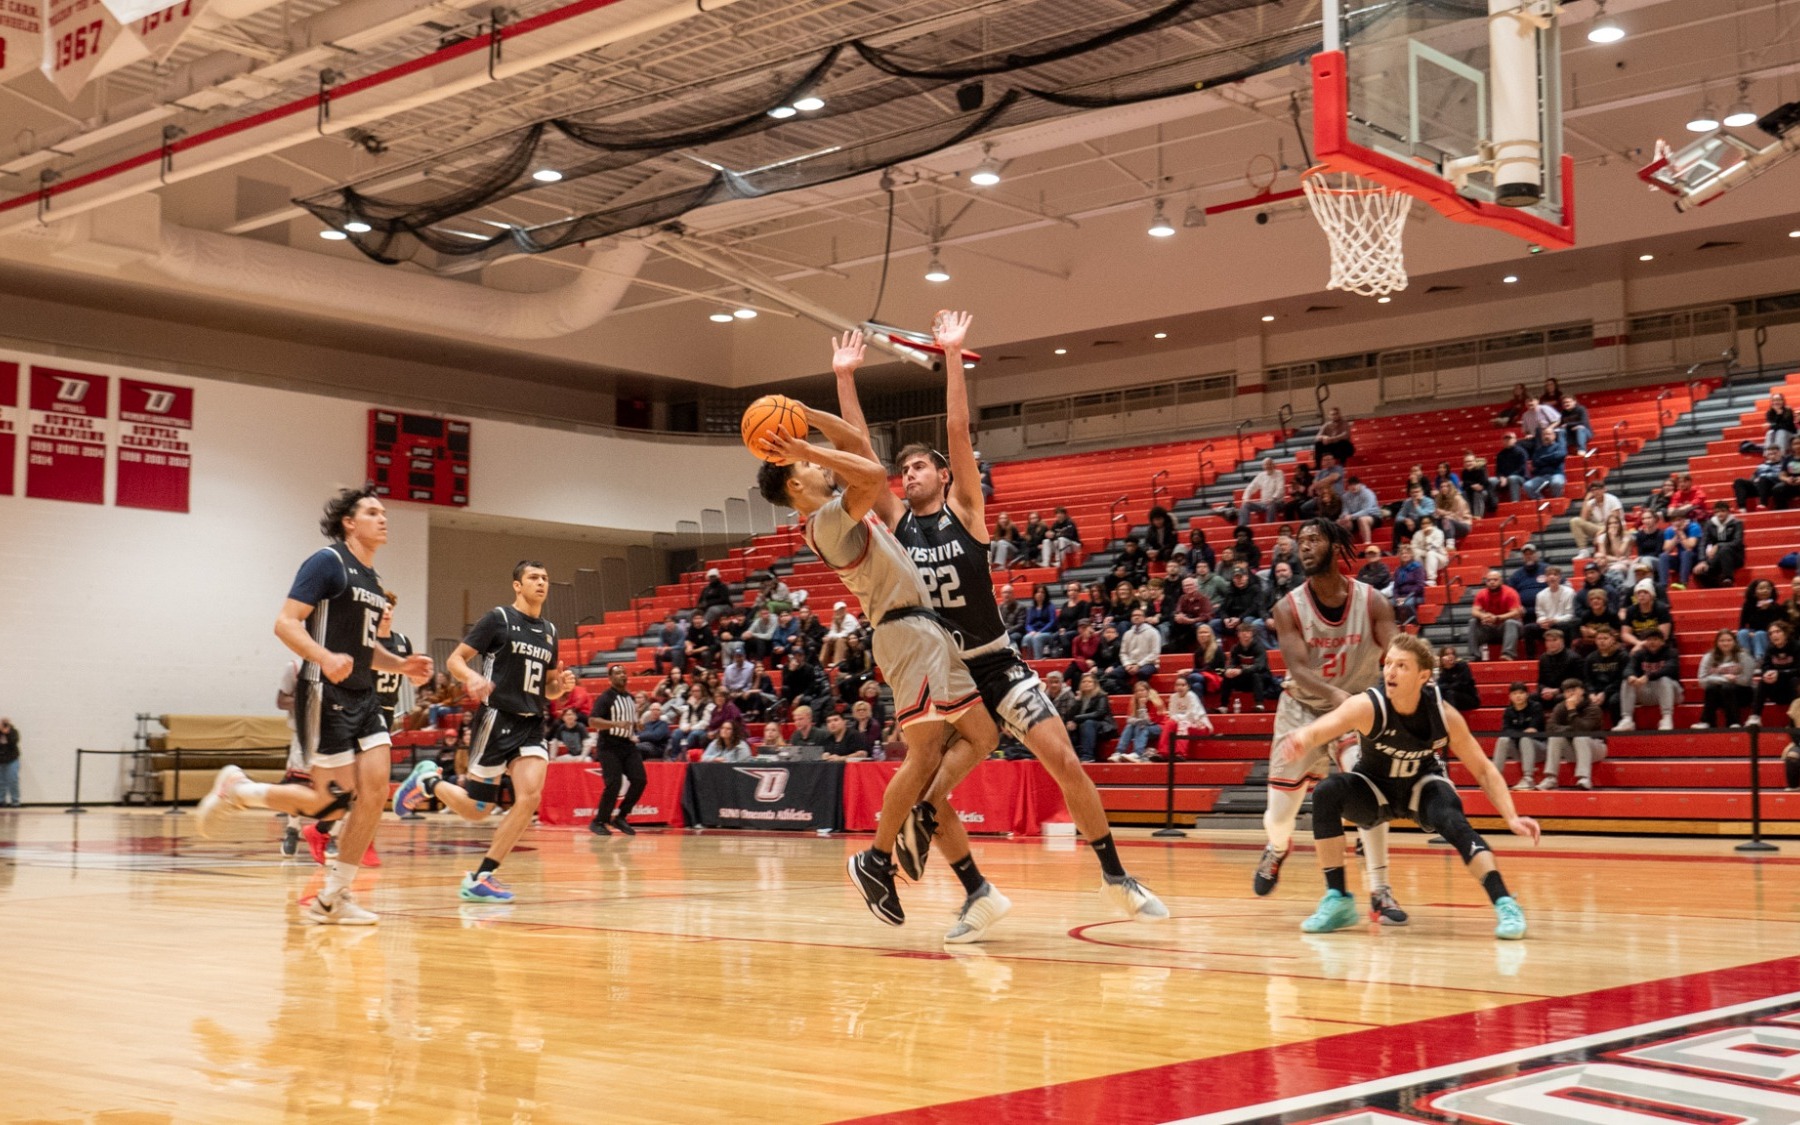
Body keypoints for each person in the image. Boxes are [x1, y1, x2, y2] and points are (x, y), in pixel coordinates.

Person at [837, 320, 1165, 937]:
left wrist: (954, 354)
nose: (906, 475)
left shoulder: (967, 512)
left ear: (944, 476)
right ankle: (977, 893)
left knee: (1064, 758)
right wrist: (844, 378)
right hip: (946, 675)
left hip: (995, 661)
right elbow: (860, 455)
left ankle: (1117, 878)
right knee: (930, 792)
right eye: (902, 470)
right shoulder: (897, 524)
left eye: (917, 468)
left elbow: (958, 429)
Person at [196, 487, 433, 926]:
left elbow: (365, 651)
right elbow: (285, 623)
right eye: (372, 512)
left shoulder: (374, 581)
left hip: (364, 698)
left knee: (376, 791)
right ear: (349, 521)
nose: (383, 519)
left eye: (384, 513)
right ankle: (240, 792)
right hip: (325, 693)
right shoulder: (327, 562)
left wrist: (403, 665)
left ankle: (334, 896)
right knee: (329, 804)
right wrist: (323, 657)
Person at [1274, 633, 1537, 939]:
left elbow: (1483, 769)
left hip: (1421, 788)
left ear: (1424, 676)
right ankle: (1338, 901)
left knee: (1453, 821)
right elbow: (1324, 727)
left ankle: (1505, 902)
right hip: (1374, 789)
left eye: (1402, 666)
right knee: (1326, 792)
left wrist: (1511, 817)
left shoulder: (1443, 714)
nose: (1391, 672)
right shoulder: (1370, 706)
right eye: (1388, 664)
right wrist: (1303, 738)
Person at [1253, 518, 1405, 924]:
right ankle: (1278, 846)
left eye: (1313, 539)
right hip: (1302, 708)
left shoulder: (1373, 602)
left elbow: (1397, 650)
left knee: (1367, 787)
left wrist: (1411, 675)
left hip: (1354, 707)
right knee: (1280, 816)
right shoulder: (1287, 608)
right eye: (1300, 541)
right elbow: (1299, 670)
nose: (1303, 547)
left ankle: (1379, 888)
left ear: (1336, 547)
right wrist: (1339, 698)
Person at [393, 561, 574, 901]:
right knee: (478, 810)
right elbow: (455, 660)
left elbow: (547, 688)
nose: (541, 583)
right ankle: (428, 782)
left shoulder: (550, 630)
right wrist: (472, 677)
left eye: (545, 578)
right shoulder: (499, 619)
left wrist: (560, 687)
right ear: (517, 585)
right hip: (496, 720)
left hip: (531, 723)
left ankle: (482, 876)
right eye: (533, 577)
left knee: (530, 798)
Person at [1544, 678, 1607, 790]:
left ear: (1582, 691)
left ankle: (1584, 778)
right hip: (1573, 749)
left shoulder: (1593, 708)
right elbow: (1549, 728)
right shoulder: (1560, 707)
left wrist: (1572, 710)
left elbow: (1583, 730)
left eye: (1574, 690)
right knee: (1555, 738)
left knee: (1580, 737)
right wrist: (1570, 729)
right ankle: (1551, 778)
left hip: (1596, 748)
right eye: (1567, 691)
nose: (1571, 693)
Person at [1616, 630, 1682, 731]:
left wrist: (1648, 676)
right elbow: (1628, 668)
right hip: (1650, 692)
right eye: (1649, 640)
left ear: (1662, 642)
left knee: (1664, 679)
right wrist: (1631, 676)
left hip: (1673, 693)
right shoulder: (1639, 654)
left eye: (1655, 639)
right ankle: (1627, 719)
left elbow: (1670, 669)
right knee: (1627, 681)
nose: (1652, 642)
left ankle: (1667, 718)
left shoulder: (1671, 652)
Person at [1697, 629, 1755, 729]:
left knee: (1727, 688)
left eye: (1729, 640)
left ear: (1735, 642)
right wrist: (1725, 678)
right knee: (1711, 688)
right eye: (1722, 641)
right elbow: (1702, 681)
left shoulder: (1744, 655)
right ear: (1717, 643)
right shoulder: (1709, 657)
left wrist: (1714, 679)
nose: (1725, 643)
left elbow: (1746, 680)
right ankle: (1707, 722)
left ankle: (1734, 722)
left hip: (1742, 694)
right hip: (1719, 694)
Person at [1493, 682, 1546, 791]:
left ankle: (1528, 778)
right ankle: (1494, 778)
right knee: (1503, 740)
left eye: (1521, 693)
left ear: (1527, 694)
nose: (1518, 696)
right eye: (1515, 693)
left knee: (1525, 738)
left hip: (1539, 748)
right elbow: (1505, 731)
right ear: (1510, 696)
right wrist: (1521, 732)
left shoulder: (1536, 707)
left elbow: (1533, 730)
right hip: (1519, 750)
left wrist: (1516, 733)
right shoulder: (1508, 711)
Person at [1748, 619, 1800, 727]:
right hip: (1777, 690)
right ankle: (1755, 717)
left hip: (1793, 690)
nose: (1774, 635)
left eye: (1777, 631)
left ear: (1785, 633)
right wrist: (1766, 673)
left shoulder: (1796, 647)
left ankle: (1793, 722)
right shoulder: (1770, 649)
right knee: (1763, 681)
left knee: (1795, 681)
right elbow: (1765, 667)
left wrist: (1779, 674)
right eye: (1771, 633)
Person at [1469, 569, 1524, 661]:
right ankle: (1474, 655)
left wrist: (1497, 618)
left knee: (1510, 622)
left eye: (1495, 580)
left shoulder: (1510, 593)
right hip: (1490, 628)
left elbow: (1516, 613)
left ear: (1501, 581)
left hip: (1508, 628)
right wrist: (1483, 616)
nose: (1492, 582)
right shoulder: (1481, 594)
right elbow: (1474, 611)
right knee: (1473, 621)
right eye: (1489, 580)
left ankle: (1508, 654)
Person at [1689, 502, 1744, 588]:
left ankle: (1728, 578)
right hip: (1716, 556)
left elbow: (1737, 542)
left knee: (1725, 550)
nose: (1720, 514)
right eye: (1717, 511)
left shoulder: (1737, 523)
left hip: (1734, 555)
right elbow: (1703, 543)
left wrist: (1718, 545)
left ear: (1728, 512)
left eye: (1723, 511)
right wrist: (1702, 560)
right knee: (1699, 570)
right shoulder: (1710, 524)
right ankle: (1715, 587)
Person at [1585, 624, 1629, 723]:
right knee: (1581, 701)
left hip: (1615, 689)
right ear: (1595, 641)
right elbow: (1587, 680)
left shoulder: (1622, 656)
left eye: (1605, 638)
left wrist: (1605, 693)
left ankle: (1618, 729)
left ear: (1613, 639)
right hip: (1596, 692)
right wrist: (1591, 693)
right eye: (1599, 638)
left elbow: (1622, 679)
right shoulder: (1590, 658)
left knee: (1614, 701)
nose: (1602, 641)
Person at [1114, 682, 1166, 762]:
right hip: (1143, 726)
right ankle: (1119, 752)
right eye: (1137, 691)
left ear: (1148, 691)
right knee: (1129, 726)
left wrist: (1142, 706)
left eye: (1142, 690)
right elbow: (1129, 720)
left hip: (1160, 727)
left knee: (1141, 726)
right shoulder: (1134, 701)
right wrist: (1138, 721)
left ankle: (1138, 753)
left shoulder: (1155, 702)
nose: (1140, 692)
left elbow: (1147, 721)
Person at [1569, 483, 1621, 555]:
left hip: (1614, 527)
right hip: (1598, 526)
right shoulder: (1590, 503)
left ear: (1604, 489)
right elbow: (1582, 520)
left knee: (1602, 536)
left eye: (1598, 489)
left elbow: (1615, 520)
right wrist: (1586, 500)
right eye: (1593, 490)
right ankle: (1583, 551)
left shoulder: (1612, 499)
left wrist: (1599, 532)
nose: (1596, 492)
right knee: (1575, 521)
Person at [1535, 628, 1583, 706]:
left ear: (1562, 640)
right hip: (1548, 692)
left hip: (1566, 692)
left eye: (1554, 640)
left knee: (1559, 699)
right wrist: (1544, 690)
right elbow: (1541, 682)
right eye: (1548, 640)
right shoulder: (1543, 658)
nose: (1551, 643)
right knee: (1529, 698)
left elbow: (1578, 682)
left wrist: (1557, 690)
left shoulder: (1574, 658)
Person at [1240, 458, 1285, 527]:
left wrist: (1273, 498)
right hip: (1263, 503)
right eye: (1266, 465)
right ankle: (1243, 527)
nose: (1268, 466)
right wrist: (1246, 498)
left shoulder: (1279, 473)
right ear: (1263, 466)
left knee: (1271, 504)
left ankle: (1269, 526)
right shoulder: (1261, 475)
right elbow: (1251, 487)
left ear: (1273, 465)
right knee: (1245, 505)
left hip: (1277, 502)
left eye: (1270, 464)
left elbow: (1280, 489)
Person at [1435, 646, 1481, 713]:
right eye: (1447, 654)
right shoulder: (1443, 671)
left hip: (1469, 698)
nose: (1450, 656)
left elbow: (1463, 685)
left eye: (1452, 654)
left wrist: (1448, 686)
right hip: (1452, 698)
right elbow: (1439, 687)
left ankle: (1451, 719)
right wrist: (1447, 668)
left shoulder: (1463, 666)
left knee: (1450, 694)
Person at [1390, 483, 1434, 552]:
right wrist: (1406, 520)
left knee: (1421, 520)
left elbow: (1424, 516)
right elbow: (1398, 517)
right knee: (1398, 524)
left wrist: (1416, 505)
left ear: (1422, 492)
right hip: (1410, 528)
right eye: (1413, 492)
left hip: (1424, 529)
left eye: (1417, 492)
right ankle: (1396, 550)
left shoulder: (1429, 501)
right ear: (1410, 494)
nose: (1415, 494)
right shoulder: (1407, 502)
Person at [1410, 515, 1448, 586]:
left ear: (1432, 523)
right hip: (1424, 559)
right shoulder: (1417, 534)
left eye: (1427, 523)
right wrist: (1424, 553)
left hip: (1440, 559)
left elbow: (1433, 548)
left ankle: (1431, 580)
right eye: (1423, 523)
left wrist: (1428, 536)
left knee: (1431, 553)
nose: (1425, 525)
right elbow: (1413, 549)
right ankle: (1420, 579)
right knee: (1416, 556)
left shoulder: (1438, 533)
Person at [1494, 432, 1529, 502]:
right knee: (1491, 481)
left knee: (1512, 478)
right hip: (1505, 479)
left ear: (1515, 440)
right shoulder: (1500, 455)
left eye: (1509, 439)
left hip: (1521, 478)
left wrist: (1507, 478)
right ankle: (1494, 504)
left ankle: (1515, 502)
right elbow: (1498, 470)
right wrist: (1501, 477)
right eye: (1505, 439)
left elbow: (1521, 469)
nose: (1507, 441)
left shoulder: (1521, 452)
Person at [0, 718, 18, 808]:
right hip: (0, 760)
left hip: (12, 759)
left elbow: (14, 742)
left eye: (5, 724)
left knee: (13, 780)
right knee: (1, 782)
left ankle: (15, 801)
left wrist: (7, 733)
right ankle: (1, 800)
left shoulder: (13, 732)